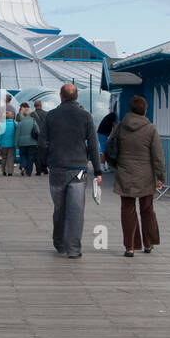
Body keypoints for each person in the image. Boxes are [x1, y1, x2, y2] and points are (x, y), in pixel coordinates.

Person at [37, 83, 101, 259]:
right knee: (76, 210)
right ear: (77, 97)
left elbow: (42, 143)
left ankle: (59, 243)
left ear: (61, 96)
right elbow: (93, 144)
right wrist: (97, 170)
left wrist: (43, 164)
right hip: (78, 169)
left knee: (60, 208)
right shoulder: (85, 116)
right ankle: (73, 248)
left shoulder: (51, 116)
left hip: (57, 168)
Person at [104, 95, 165, 257]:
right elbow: (158, 156)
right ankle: (148, 244)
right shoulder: (150, 129)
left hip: (125, 173)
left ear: (131, 109)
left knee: (127, 209)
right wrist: (160, 176)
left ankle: (130, 247)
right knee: (147, 210)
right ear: (145, 110)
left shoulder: (121, 126)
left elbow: (111, 147)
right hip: (145, 175)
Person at [16, 102, 38, 176]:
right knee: (30, 157)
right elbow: (38, 131)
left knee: (22, 156)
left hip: (22, 143)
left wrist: (16, 144)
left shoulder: (20, 122)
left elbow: (17, 134)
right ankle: (28, 172)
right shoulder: (33, 120)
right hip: (32, 142)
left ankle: (22, 167)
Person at [0, 106, 17, 175]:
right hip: (12, 143)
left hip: (3, 144)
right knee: (10, 158)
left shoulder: (2, 125)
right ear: (11, 117)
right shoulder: (15, 124)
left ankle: (4, 171)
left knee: (4, 158)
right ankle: (10, 172)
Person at [32, 102, 48, 174]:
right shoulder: (46, 113)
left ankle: (38, 170)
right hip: (45, 136)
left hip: (35, 136)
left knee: (37, 154)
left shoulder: (32, 114)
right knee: (44, 153)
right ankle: (44, 168)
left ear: (34, 106)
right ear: (41, 105)